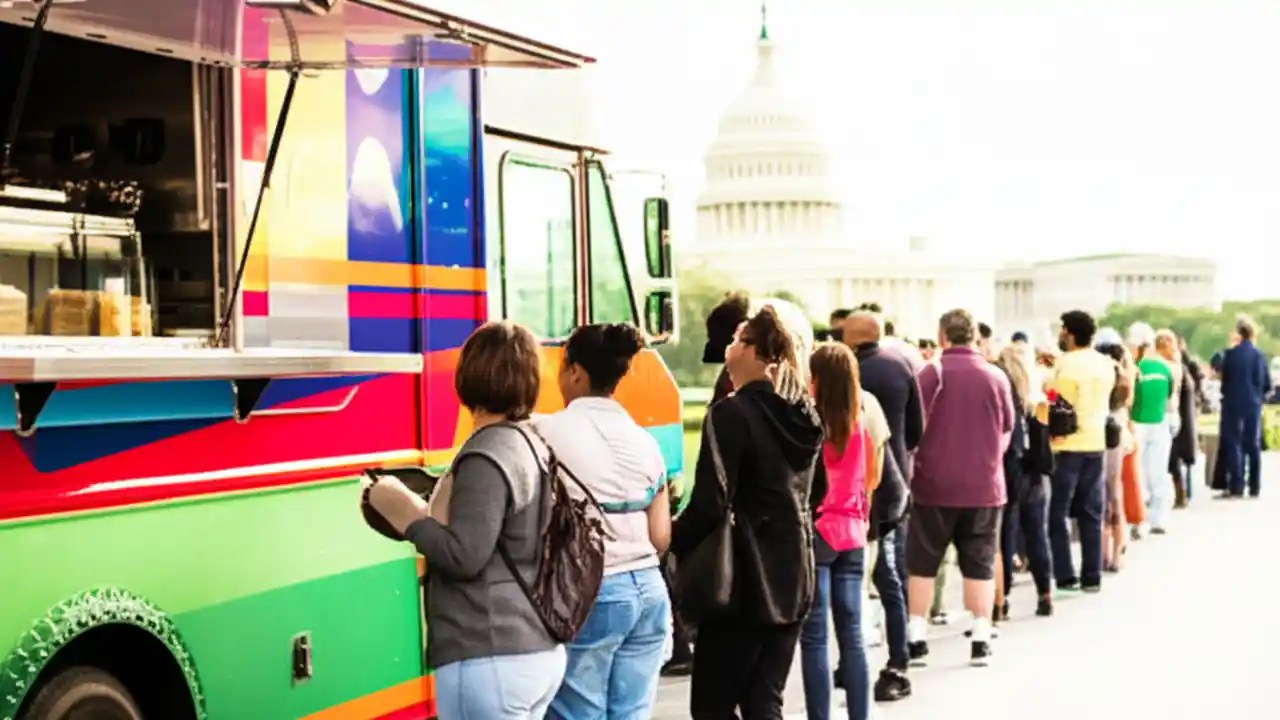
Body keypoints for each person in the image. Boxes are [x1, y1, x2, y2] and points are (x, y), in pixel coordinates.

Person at [366, 320, 565, 718]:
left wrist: (408, 518)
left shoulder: (486, 455)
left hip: (489, 652)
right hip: (533, 648)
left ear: (468, 375)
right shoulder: (530, 441)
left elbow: (465, 555)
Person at [672, 307, 824, 719]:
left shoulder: (731, 413)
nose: (729, 347)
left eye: (740, 340)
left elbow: (709, 504)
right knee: (763, 701)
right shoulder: (805, 415)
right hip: (794, 574)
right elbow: (818, 491)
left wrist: (666, 544)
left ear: (761, 355)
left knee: (712, 706)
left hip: (742, 582)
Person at [541, 324, 672, 719]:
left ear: (575, 372)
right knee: (630, 713)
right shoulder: (645, 441)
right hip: (649, 592)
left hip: (593, 591)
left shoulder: (545, 431)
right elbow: (660, 536)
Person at [905, 309, 1014, 667]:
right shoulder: (996, 377)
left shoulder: (930, 373)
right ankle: (981, 633)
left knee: (922, 563)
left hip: (933, 485)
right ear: (975, 338)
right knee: (979, 563)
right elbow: (1007, 428)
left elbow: (911, 428)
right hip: (984, 485)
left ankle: (916, 635)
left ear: (942, 336)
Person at [840, 310, 919, 699]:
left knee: (857, 576)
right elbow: (917, 427)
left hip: (858, 488)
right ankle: (898, 657)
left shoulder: (847, 376)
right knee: (890, 577)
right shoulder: (901, 365)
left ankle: (849, 661)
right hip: (895, 478)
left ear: (851, 337)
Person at [800, 343, 872, 720]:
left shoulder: (810, 423)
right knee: (853, 635)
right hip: (853, 533)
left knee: (814, 638)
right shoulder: (858, 422)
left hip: (819, 531)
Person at [1046, 311, 1115, 592]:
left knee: (1057, 512)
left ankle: (1064, 573)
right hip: (1096, 442)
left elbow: (1054, 397)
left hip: (1066, 445)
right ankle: (1092, 574)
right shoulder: (1104, 364)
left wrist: (1047, 382)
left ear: (1069, 333)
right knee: (1091, 512)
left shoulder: (1066, 365)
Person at [995, 345, 1055, 617]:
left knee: (1006, 537)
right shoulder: (1038, 404)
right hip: (1036, 477)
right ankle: (1045, 593)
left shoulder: (1004, 405)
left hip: (1008, 474)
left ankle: (1002, 598)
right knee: (1037, 535)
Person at [1094, 333, 1134, 572]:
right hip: (1118, 433)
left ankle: (1103, 553)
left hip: (1099, 434)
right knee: (1115, 494)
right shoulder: (1125, 377)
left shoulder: (1101, 375)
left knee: (1099, 497)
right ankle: (1118, 552)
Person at [1219, 315, 1272, 497]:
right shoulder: (1260, 356)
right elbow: (1267, 384)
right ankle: (1255, 485)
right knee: (1253, 444)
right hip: (1253, 403)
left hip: (1233, 402)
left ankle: (1237, 485)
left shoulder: (1231, 355)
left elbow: (1224, 382)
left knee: (1234, 443)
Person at [1132, 333, 1175, 534]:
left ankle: (1139, 520)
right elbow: (1169, 398)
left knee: (1138, 473)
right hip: (1160, 423)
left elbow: (1129, 399)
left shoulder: (1135, 369)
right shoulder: (1166, 369)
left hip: (1137, 424)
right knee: (1158, 472)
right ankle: (1158, 519)